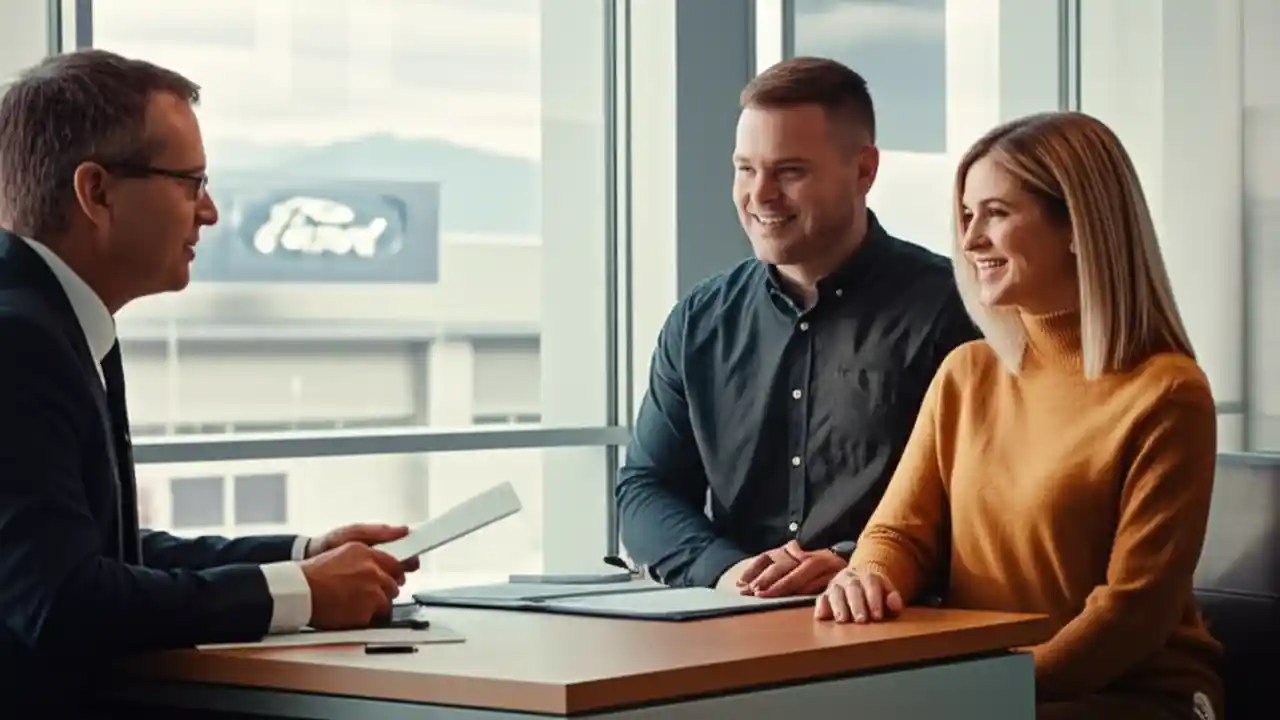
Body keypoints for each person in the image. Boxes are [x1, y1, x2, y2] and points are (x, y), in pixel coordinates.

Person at [0, 49, 418, 708]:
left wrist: (304, 557)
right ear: (97, 192)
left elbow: (102, 550)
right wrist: (304, 593)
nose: (211, 212)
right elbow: (61, 600)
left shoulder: (53, 322)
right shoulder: (18, 340)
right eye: (189, 181)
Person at [815, 111, 1224, 720]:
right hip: (999, 686)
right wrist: (865, 578)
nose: (971, 238)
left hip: (1134, 696)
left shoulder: (1166, 393)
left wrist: (986, 690)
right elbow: (898, 534)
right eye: (967, 215)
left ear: (1078, 227)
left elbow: (1130, 614)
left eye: (997, 213)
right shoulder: (968, 373)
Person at [616, 57, 979, 596]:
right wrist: (728, 571)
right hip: (729, 624)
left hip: (892, 630)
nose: (760, 195)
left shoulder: (954, 311)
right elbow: (645, 490)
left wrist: (867, 563)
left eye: (789, 171)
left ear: (863, 171)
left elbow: (982, 501)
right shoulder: (699, 321)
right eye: (745, 168)